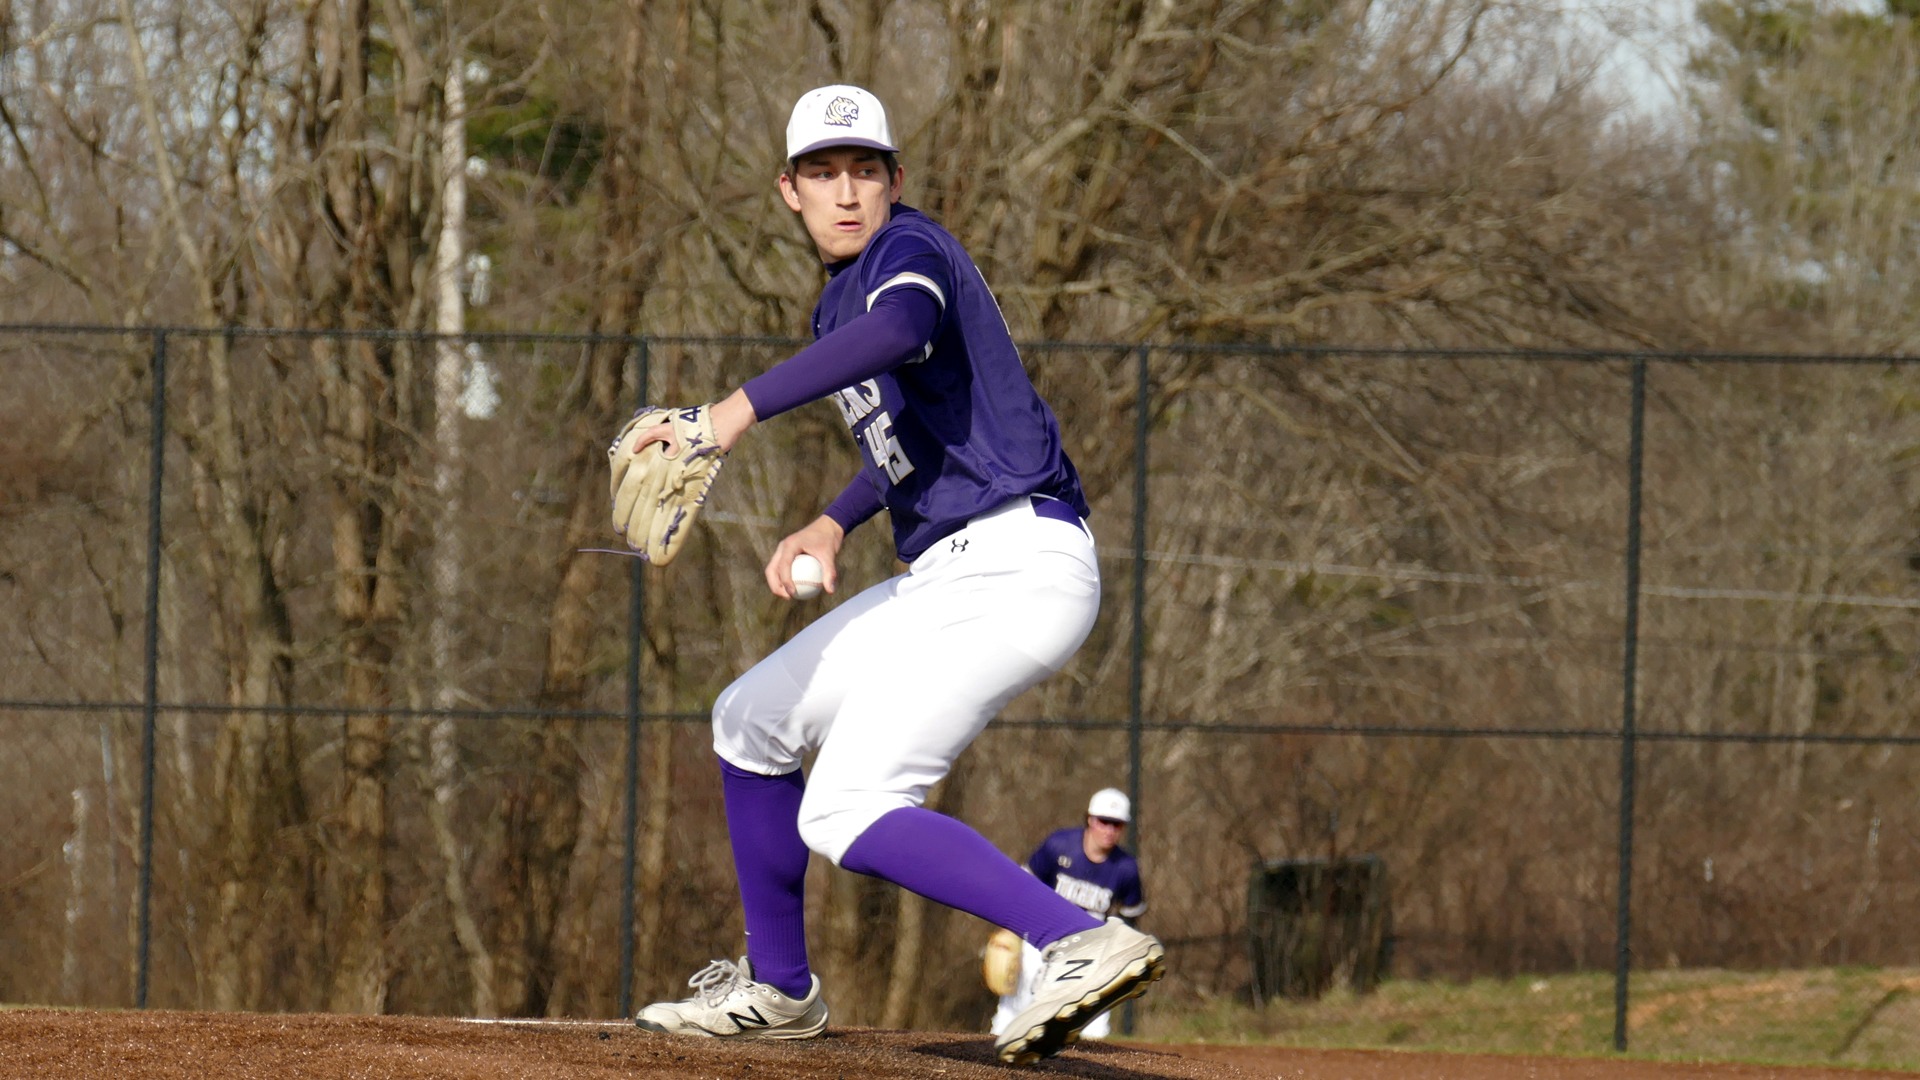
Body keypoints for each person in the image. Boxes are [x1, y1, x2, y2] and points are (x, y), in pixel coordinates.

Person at [620, 84, 1165, 1066]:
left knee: (848, 805)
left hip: (1021, 564)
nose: (846, 191)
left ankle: (1080, 938)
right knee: (750, 722)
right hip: (957, 569)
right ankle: (781, 990)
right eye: (822, 173)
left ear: (895, 181)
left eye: (864, 170)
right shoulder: (844, 293)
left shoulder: (906, 255)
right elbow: (910, 443)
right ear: (788, 190)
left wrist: (726, 415)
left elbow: (901, 327)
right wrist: (834, 521)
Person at [990, 788, 1148, 1041]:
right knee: (1016, 1010)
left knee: (1093, 1028)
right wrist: (1010, 929)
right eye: (1104, 821)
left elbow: (1131, 916)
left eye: (1117, 824)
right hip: (1040, 938)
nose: (1109, 829)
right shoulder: (1058, 845)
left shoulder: (1126, 868)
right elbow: (1022, 886)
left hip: (1090, 949)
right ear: (1090, 819)